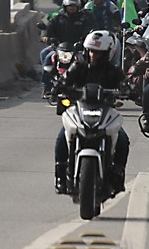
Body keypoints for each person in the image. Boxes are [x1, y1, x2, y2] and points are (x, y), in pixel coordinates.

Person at [54, 31, 129, 196]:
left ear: (108, 53)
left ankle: (118, 174)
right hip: (80, 109)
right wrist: (58, 86)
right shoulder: (78, 66)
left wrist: (129, 89)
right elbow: (64, 80)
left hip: (105, 110)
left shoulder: (113, 71)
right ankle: (60, 175)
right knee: (62, 136)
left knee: (123, 139)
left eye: (98, 53)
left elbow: (125, 84)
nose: (93, 55)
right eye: (91, 51)